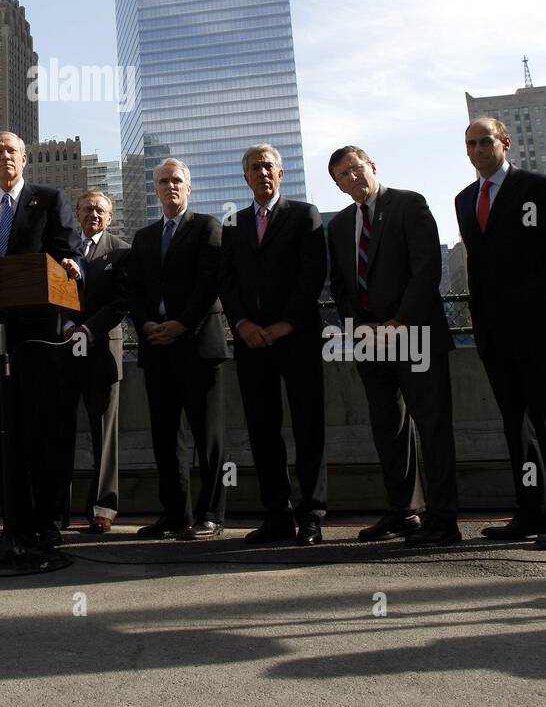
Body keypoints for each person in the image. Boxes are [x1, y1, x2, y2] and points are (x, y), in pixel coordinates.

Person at [0, 130, 83, 549]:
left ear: (24, 159)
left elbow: (69, 250)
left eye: (12, 150)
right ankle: (14, 520)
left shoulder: (49, 199)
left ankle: (48, 519)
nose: (5, 156)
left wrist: (70, 263)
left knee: (41, 428)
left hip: (37, 339)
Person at [327, 146, 460, 547]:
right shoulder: (339, 227)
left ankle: (443, 520)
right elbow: (340, 285)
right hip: (369, 340)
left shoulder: (408, 204)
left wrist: (398, 322)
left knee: (432, 427)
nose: (352, 179)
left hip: (414, 333)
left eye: (356, 169)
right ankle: (403, 512)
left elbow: (426, 270)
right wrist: (361, 328)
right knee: (389, 428)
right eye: (343, 177)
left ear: (372, 166)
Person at [219, 145, 328, 546]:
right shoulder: (232, 222)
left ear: (280, 173)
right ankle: (277, 516)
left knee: (308, 428)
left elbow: (312, 273)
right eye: (254, 168)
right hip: (251, 343)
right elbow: (225, 279)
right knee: (263, 431)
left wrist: (286, 324)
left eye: (269, 166)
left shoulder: (304, 215)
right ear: (245, 177)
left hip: (297, 339)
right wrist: (242, 323)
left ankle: (312, 516)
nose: (262, 172)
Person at [125, 158, 228, 540]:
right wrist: (147, 324)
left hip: (198, 347)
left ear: (189, 187)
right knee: (166, 439)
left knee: (208, 437)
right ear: (156, 189)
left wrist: (182, 324)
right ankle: (174, 514)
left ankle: (211, 514)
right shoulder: (144, 237)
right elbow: (133, 288)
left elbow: (209, 282)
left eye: (177, 181)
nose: (171, 186)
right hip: (157, 350)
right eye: (164, 181)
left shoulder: (207, 227)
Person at [456, 118, 546, 547]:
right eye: (470, 143)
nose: (477, 149)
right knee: (516, 426)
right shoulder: (463, 200)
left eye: (485, 141)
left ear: (505, 143)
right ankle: (529, 512)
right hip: (492, 333)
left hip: (537, 329)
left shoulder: (536, 189)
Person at [58, 189, 130, 535]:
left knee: (104, 433)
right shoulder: (63, 253)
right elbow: (54, 297)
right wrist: (69, 326)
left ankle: (103, 509)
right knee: (62, 431)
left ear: (110, 216)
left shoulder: (122, 252)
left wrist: (88, 328)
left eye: (99, 210)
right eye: (86, 209)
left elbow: (121, 303)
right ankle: (58, 511)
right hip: (65, 350)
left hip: (102, 351)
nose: (92, 215)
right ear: (77, 214)